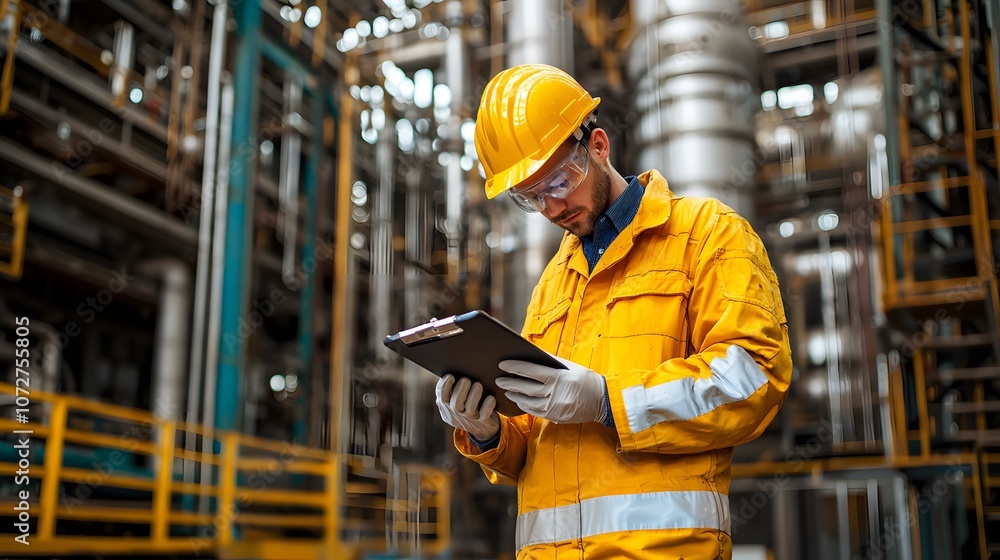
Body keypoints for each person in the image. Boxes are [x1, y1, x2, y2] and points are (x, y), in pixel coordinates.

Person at [434, 63, 792, 559]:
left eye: (559, 181)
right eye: (530, 196)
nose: (552, 208)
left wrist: (608, 402)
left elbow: (753, 378)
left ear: (598, 146)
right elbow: (536, 443)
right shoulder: (553, 283)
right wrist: (489, 432)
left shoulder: (707, 234)